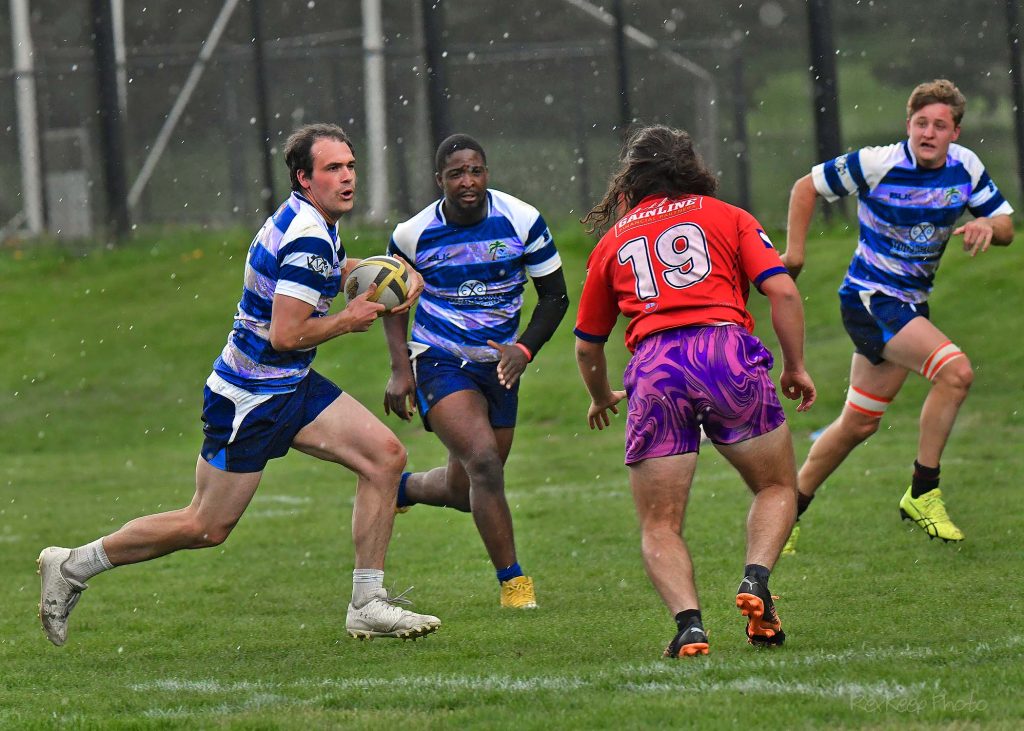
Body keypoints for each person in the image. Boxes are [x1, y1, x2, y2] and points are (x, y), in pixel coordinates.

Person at [37, 123, 441, 646]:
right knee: (206, 526)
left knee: (385, 457)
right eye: (333, 169)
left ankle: (367, 602)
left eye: (350, 166)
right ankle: (73, 566)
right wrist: (351, 317)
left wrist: (379, 272)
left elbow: (318, 275)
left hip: (287, 385)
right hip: (251, 397)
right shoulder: (309, 236)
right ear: (304, 177)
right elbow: (288, 332)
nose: (347, 178)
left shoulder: (311, 221)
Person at [574, 124, 815, 657]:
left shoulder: (613, 241)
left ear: (630, 179)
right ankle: (755, 580)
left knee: (660, 524)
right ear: (692, 167)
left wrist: (599, 395)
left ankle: (690, 625)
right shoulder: (727, 215)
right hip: (724, 353)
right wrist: (795, 366)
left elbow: (588, 346)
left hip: (657, 367)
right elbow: (783, 292)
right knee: (777, 488)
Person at [780, 79, 1014, 553]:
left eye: (940, 125)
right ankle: (923, 492)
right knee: (956, 373)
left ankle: (786, 510)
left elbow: (1007, 226)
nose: (928, 132)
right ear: (908, 126)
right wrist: (795, 253)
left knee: (857, 424)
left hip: (909, 304)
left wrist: (987, 223)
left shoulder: (965, 167)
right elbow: (806, 187)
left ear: (956, 133)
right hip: (870, 299)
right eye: (921, 123)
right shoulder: (878, 163)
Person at [382, 134, 568, 609]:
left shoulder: (522, 221)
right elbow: (392, 299)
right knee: (484, 461)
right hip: (440, 357)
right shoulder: (412, 234)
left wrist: (524, 349)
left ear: (487, 173)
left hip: (501, 364)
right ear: (439, 180)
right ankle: (514, 583)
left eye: (476, 171)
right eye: (457, 173)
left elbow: (555, 297)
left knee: (468, 489)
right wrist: (401, 369)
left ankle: (404, 487)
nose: (468, 182)